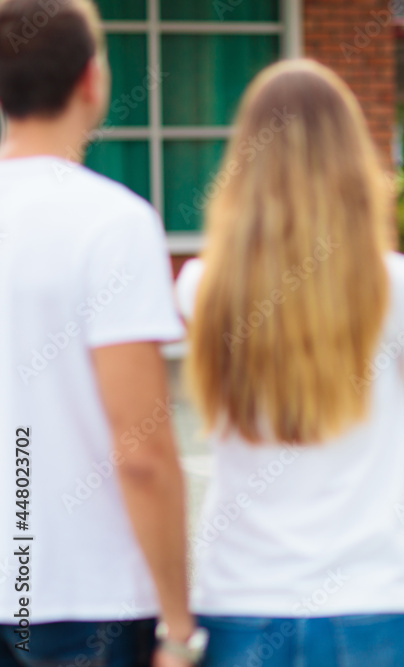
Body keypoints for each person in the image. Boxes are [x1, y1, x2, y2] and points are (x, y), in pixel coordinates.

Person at [174, 59, 404, 666]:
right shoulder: (397, 285)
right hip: (367, 608)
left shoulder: (201, 286)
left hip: (238, 604)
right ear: (351, 159)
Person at [0, 0, 200, 664]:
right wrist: (178, 624)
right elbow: (140, 449)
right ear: (91, 80)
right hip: (89, 600)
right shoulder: (112, 224)